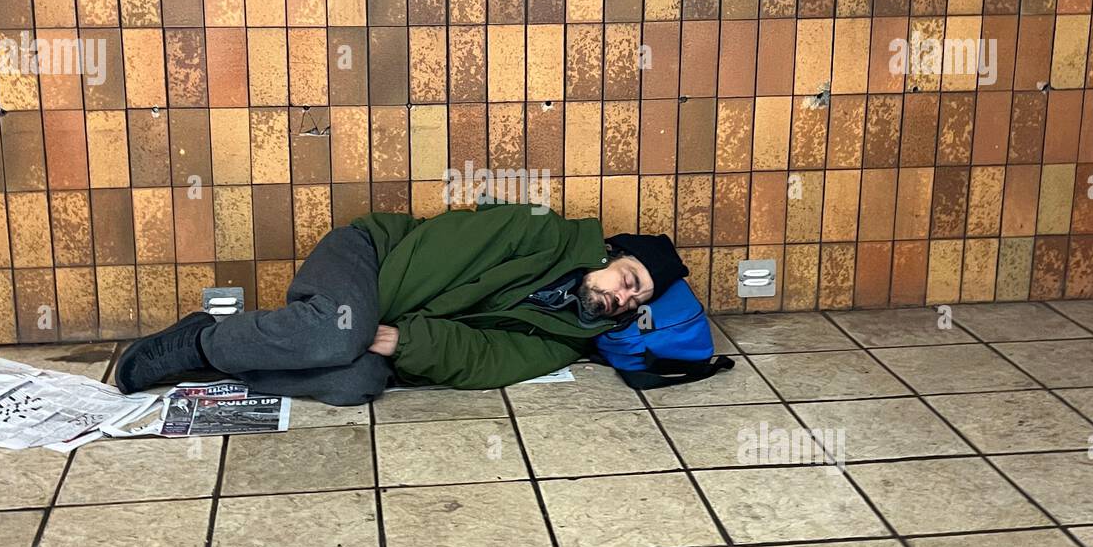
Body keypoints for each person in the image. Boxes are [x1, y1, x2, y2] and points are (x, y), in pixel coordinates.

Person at [114, 202, 690, 404]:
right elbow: (434, 255)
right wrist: (366, 322)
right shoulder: (540, 230)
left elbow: (486, 360)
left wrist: (401, 342)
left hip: (390, 328)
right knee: (338, 338)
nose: (620, 296)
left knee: (354, 383)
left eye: (634, 298)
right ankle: (197, 340)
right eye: (626, 276)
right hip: (372, 258)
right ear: (611, 253)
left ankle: (219, 358)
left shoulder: (568, 337)